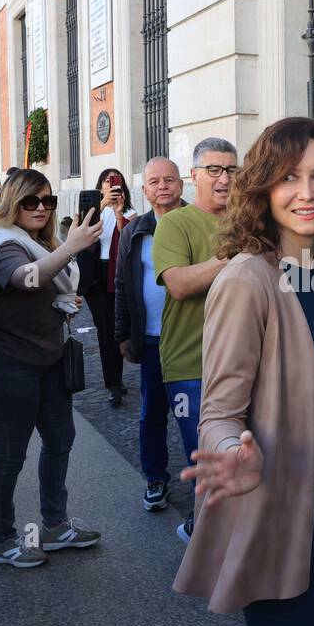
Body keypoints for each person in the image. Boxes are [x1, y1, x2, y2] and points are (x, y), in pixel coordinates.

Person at [174, 117, 314, 626]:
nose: (307, 192)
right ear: (261, 188)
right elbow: (219, 411)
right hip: (277, 509)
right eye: (288, 178)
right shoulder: (246, 279)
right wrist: (234, 454)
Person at [0, 169, 103, 568]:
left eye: (48, 201)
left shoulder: (39, 242)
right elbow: (24, 279)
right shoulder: (2, 243)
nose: (42, 208)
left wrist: (62, 301)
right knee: (10, 453)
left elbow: (41, 287)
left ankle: (55, 525)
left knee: (60, 438)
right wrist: (73, 247)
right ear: (13, 202)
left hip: (47, 355)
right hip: (5, 360)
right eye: (31, 201)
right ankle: (3, 540)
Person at [152, 137, 237, 542]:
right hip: (192, 365)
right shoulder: (174, 223)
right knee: (207, 462)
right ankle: (202, 537)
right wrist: (232, 257)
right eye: (214, 170)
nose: (224, 179)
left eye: (232, 170)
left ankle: (224, 537)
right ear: (195, 176)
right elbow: (180, 284)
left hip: (242, 362)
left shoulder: (247, 221)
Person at [115, 156, 186, 511]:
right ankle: (155, 478)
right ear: (144, 190)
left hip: (192, 340)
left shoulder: (198, 223)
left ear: (181, 185)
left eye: (169, 180)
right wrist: (123, 333)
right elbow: (122, 284)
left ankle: (206, 483)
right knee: (152, 414)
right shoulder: (134, 230)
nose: (163, 186)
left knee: (200, 416)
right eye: (155, 181)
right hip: (152, 337)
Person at [77, 168, 137, 407]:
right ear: (100, 186)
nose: (111, 185)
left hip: (118, 274)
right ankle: (112, 384)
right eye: (106, 181)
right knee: (105, 330)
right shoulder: (93, 212)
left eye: (115, 180)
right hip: (95, 276)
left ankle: (117, 380)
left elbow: (128, 240)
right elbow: (81, 229)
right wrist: (101, 205)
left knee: (117, 329)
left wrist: (119, 213)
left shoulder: (130, 213)